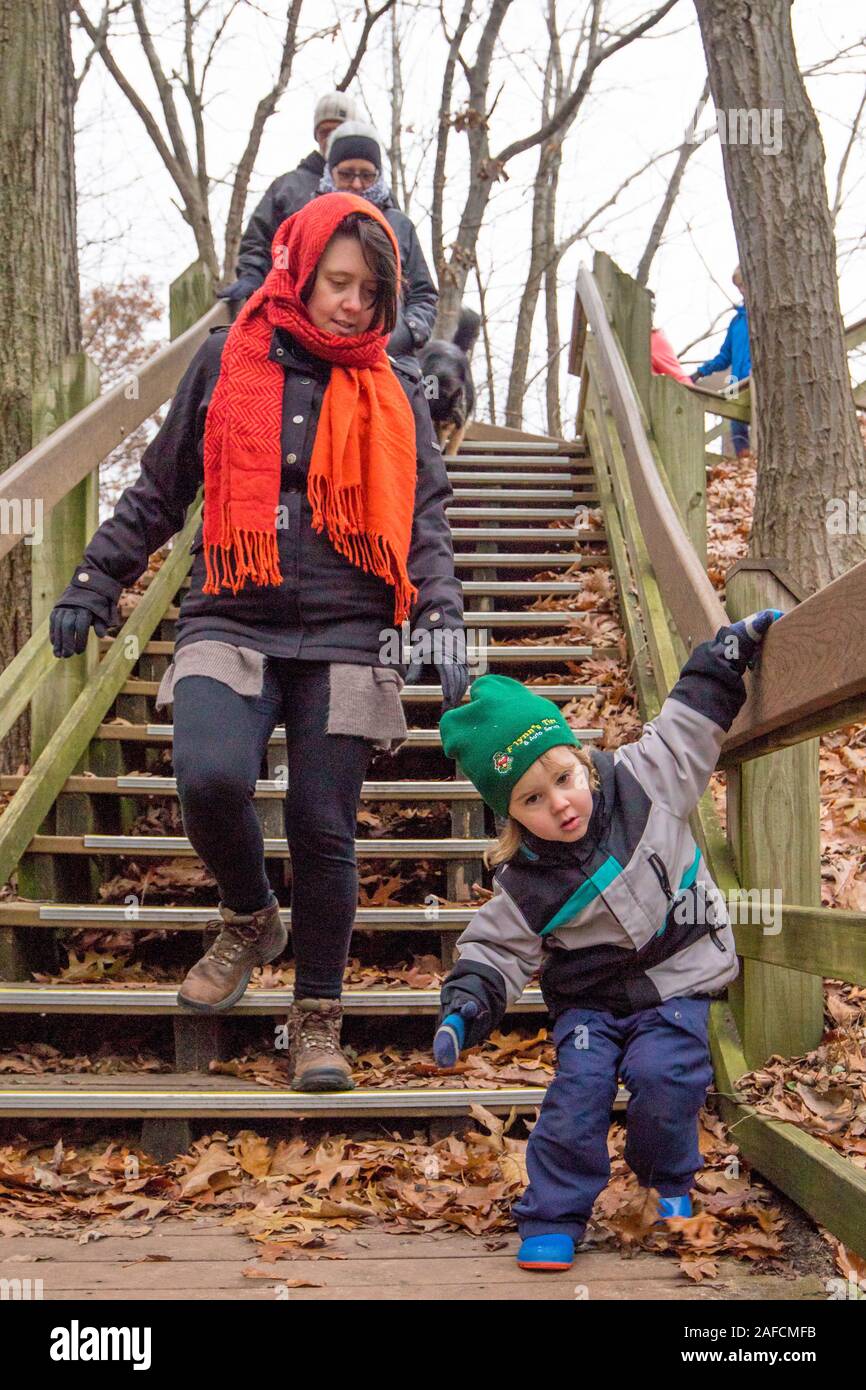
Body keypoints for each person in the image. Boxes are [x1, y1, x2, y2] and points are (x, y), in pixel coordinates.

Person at [49, 193, 468, 1094]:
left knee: (323, 826)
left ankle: (316, 1016)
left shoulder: (396, 391)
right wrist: (96, 578)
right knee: (207, 776)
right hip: (232, 607)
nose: (353, 304)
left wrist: (439, 613)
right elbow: (159, 491)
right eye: (337, 282)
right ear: (300, 270)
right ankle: (248, 913)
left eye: (371, 289)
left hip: (351, 626)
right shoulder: (222, 361)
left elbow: (425, 518)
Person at [435, 609, 782, 1271]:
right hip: (591, 1005)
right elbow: (496, 949)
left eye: (562, 779)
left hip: (677, 977)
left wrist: (727, 651)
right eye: (532, 800)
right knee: (580, 1091)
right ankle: (555, 1215)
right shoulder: (525, 881)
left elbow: (688, 724)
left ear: (582, 762)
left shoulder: (644, 784)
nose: (559, 805)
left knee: (665, 1077)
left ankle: (668, 1177)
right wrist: (466, 1007)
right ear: (510, 814)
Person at [219, 89, 362, 303]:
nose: (331, 138)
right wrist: (256, 274)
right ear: (316, 136)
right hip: (296, 304)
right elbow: (265, 240)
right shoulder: (288, 188)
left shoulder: (372, 189)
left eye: (339, 130)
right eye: (325, 132)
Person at [315, 121, 438, 359]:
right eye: (347, 174)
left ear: (378, 176)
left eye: (367, 175)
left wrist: (408, 332)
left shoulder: (400, 225)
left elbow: (424, 293)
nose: (357, 184)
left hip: (392, 358)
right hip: (318, 353)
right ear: (331, 173)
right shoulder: (308, 220)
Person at [690, 266, 752, 457]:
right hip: (735, 380)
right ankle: (743, 462)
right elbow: (725, 356)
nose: (741, 290)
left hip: (753, 379)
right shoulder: (736, 322)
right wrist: (701, 371)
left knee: (757, 422)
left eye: (744, 285)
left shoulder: (761, 316)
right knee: (735, 426)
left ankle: (754, 465)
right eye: (739, 286)